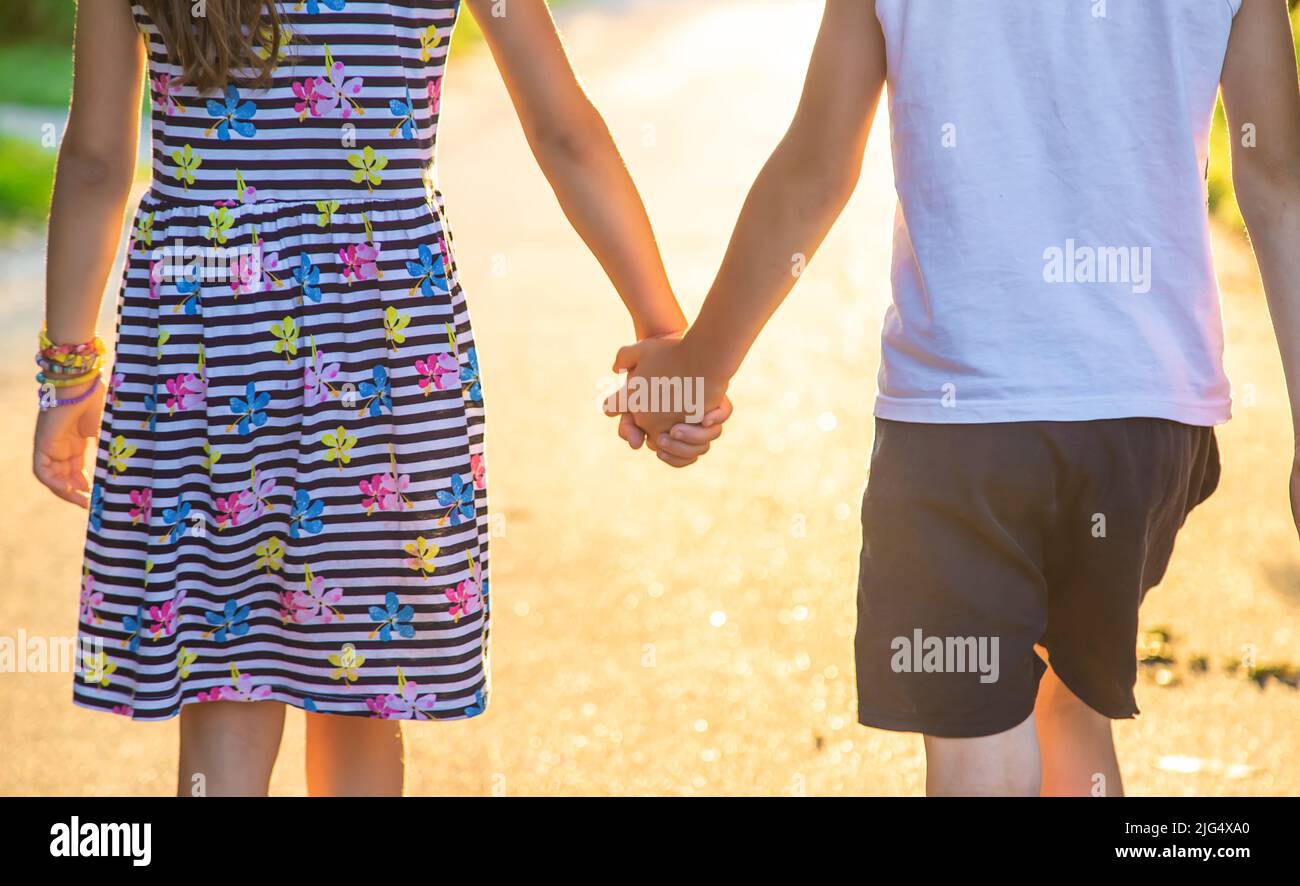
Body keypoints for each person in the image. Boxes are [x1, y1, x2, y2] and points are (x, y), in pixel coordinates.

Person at [33, 0, 727, 797]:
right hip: (381, 341)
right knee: (363, 685)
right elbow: (563, 130)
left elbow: (95, 160)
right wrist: (665, 334)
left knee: (225, 685)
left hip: (204, 343)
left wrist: (70, 369)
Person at [612, 0, 1300, 795]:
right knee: (1069, 711)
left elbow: (817, 168)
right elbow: (1275, 175)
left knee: (981, 744)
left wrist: (697, 369)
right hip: (1143, 418)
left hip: (963, 418)